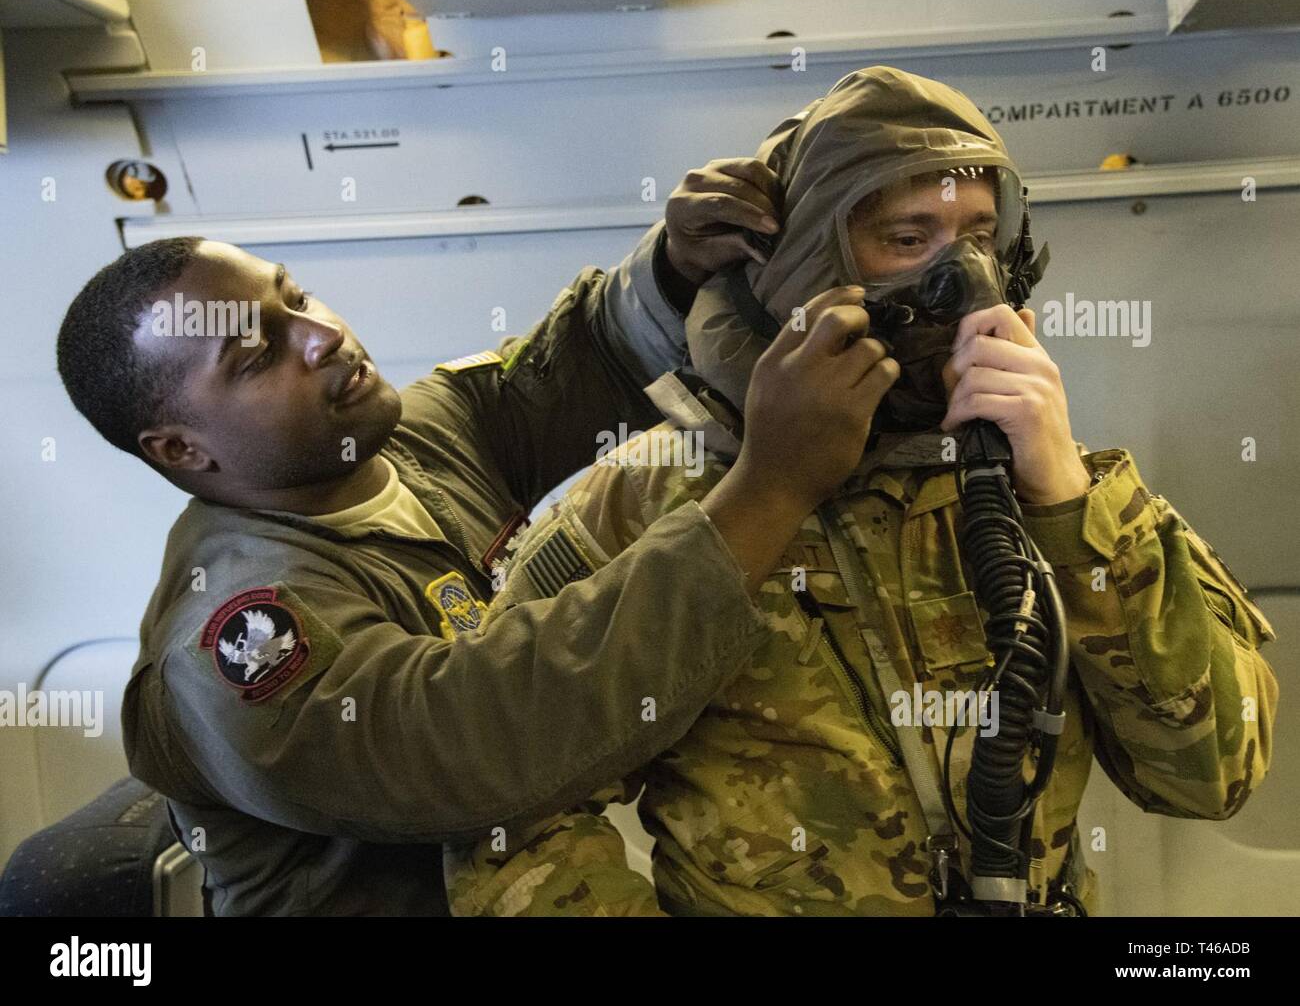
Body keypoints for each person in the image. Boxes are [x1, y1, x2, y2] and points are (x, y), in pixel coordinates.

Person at [443, 67, 1279, 917]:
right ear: (808, 268)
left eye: (980, 237)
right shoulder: (645, 496)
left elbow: (1213, 776)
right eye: (908, 239)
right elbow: (505, 808)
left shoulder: (1053, 481)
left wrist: (1066, 497)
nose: (964, 280)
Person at [54, 159, 891, 916]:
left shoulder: (412, 440)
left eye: (295, 297)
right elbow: (480, 741)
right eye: (258, 352)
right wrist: (772, 486)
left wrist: (678, 265)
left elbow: (571, 370)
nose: (321, 336)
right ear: (181, 449)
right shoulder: (242, 641)